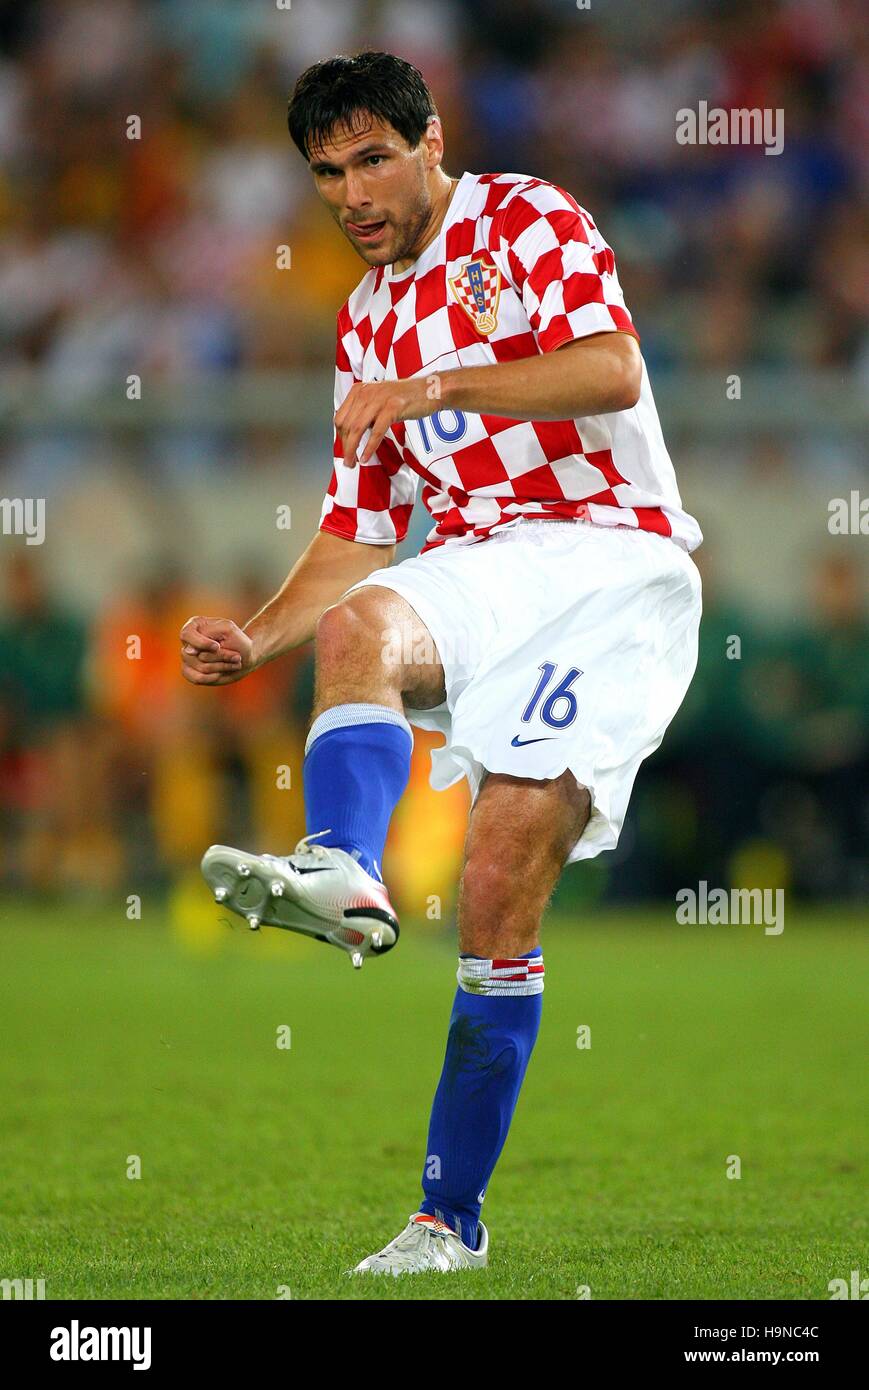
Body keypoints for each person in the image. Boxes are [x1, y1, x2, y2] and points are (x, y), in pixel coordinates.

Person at [179, 51, 702, 1275]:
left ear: (429, 143)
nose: (351, 194)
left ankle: (448, 1212)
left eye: (372, 159)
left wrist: (436, 386)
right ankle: (344, 867)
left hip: (611, 561)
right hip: (485, 566)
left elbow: (610, 366)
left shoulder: (522, 217)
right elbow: (355, 533)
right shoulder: (363, 322)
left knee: (496, 892)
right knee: (358, 624)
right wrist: (256, 634)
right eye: (326, 173)